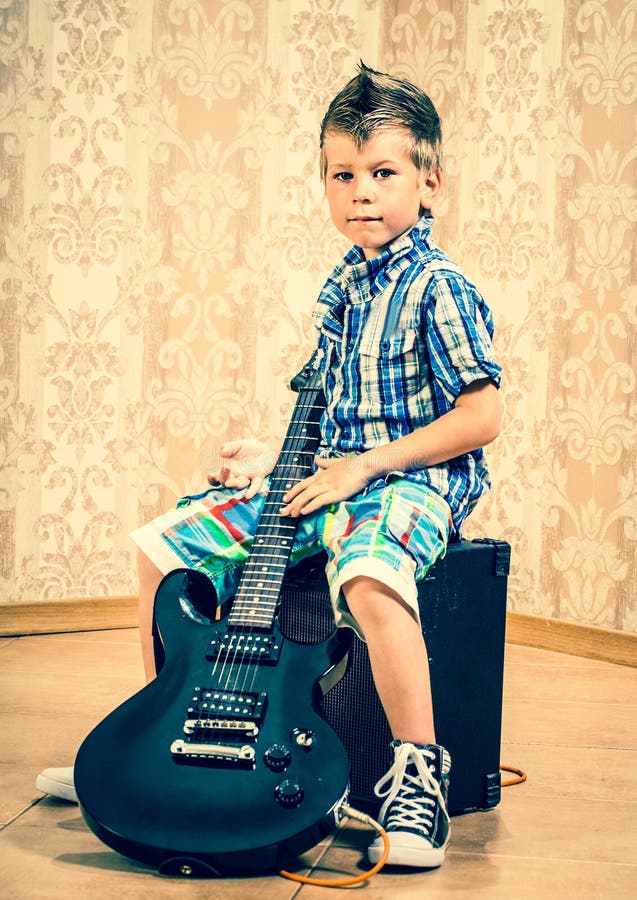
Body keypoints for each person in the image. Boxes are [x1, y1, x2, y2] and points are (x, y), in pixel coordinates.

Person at [37, 61, 501, 869]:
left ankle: (417, 771)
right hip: (336, 466)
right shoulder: (343, 287)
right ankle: (159, 733)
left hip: (413, 479)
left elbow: (482, 415)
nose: (361, 191)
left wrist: (364, 468)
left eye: (382, 173)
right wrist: (276, 457)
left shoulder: (439, 288)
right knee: (160, 546)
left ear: (430, 183)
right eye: (342, 174)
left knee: (364, 570)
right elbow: (329, 405)